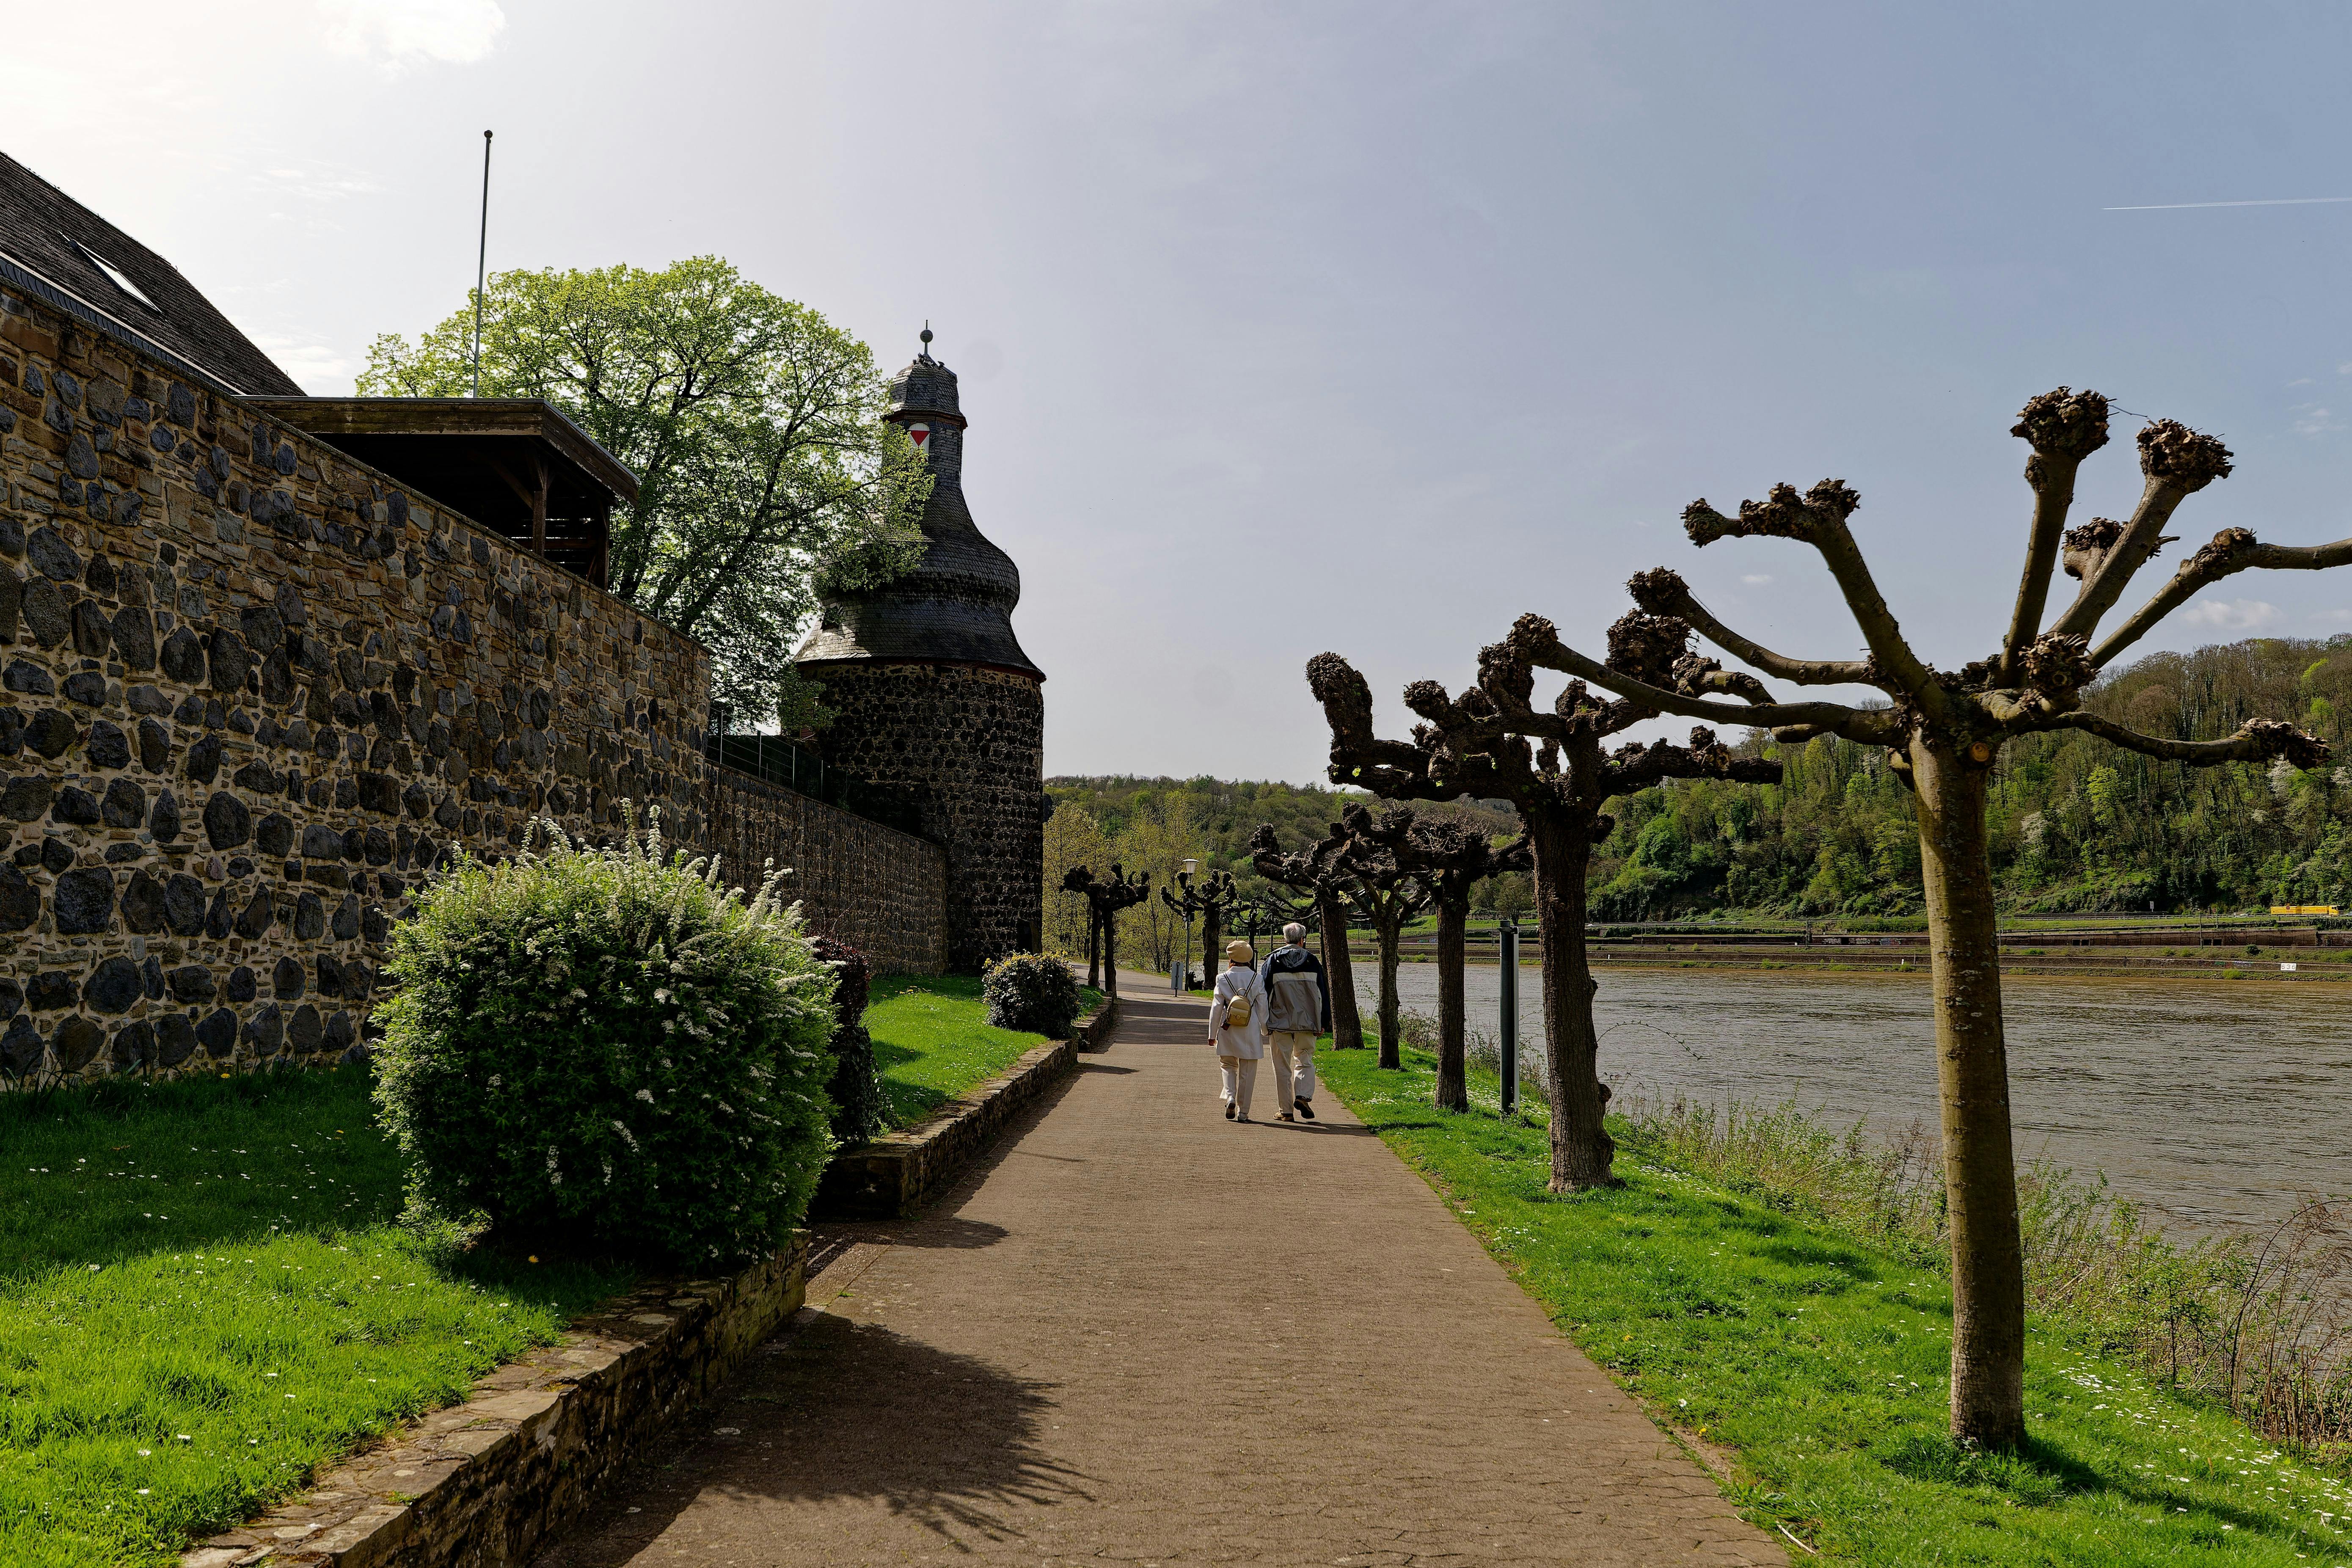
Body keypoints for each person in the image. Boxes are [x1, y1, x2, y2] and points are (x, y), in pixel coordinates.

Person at [1259, 921, 1330, 1122]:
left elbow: (1264, 994)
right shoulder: (1312, 961)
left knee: (1281, 1066)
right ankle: (1303, 1096)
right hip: (1307, 1022)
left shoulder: (1272, 961)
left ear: (1284, 939)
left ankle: (1286, 1111)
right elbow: (1322, 994)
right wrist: (1323, 1022)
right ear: (1302, 940)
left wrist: (1264, 1023)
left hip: (1279, 1021)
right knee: (1305, 1060)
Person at [1209, 938, 1267, 1122]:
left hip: (1228, 1027)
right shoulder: (1257, 979)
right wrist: (1265, 1030)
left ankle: (1230, 1096)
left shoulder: (1222, 978)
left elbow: (1217, 1007)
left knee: (1227, 1065)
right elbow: (1263, 1007)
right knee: (1248, 1073)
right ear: (1249, 959)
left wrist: (1212, 1035)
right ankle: (1244, 1113)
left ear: (1230, 958)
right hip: (1250, 1028)